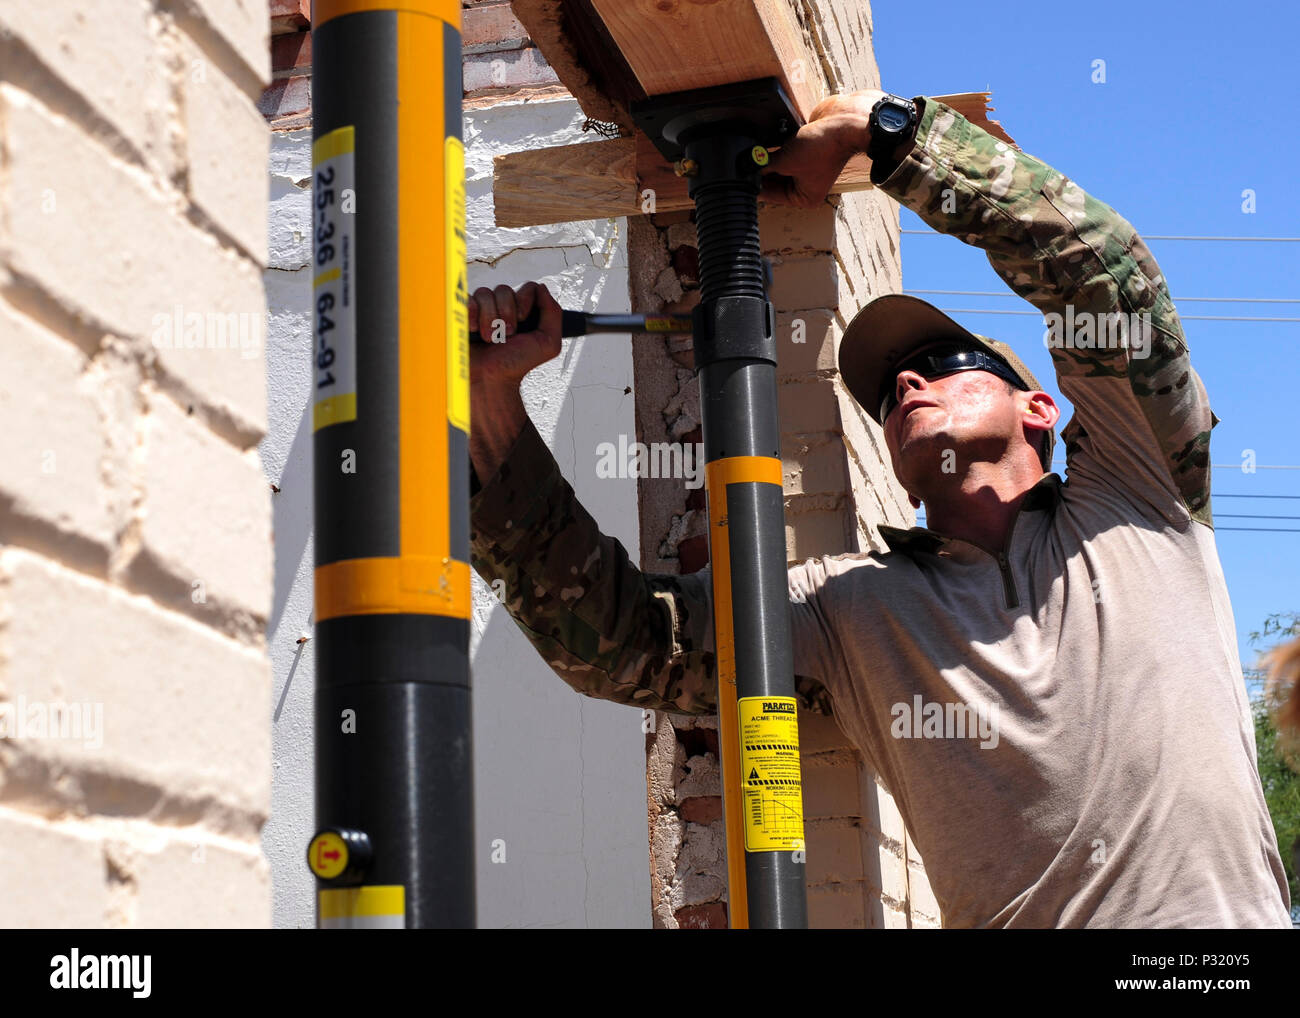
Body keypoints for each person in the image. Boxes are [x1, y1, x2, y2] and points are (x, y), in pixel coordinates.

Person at [466, 90, 1292, 928]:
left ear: (1040, 409)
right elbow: (625, 644)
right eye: (892, 389)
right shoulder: (854, 609)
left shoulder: (1140, 494)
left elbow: (1105, 277)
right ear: (898, 474)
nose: (907, 383)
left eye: (947, 362)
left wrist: (889, 134)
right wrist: (495, 415)